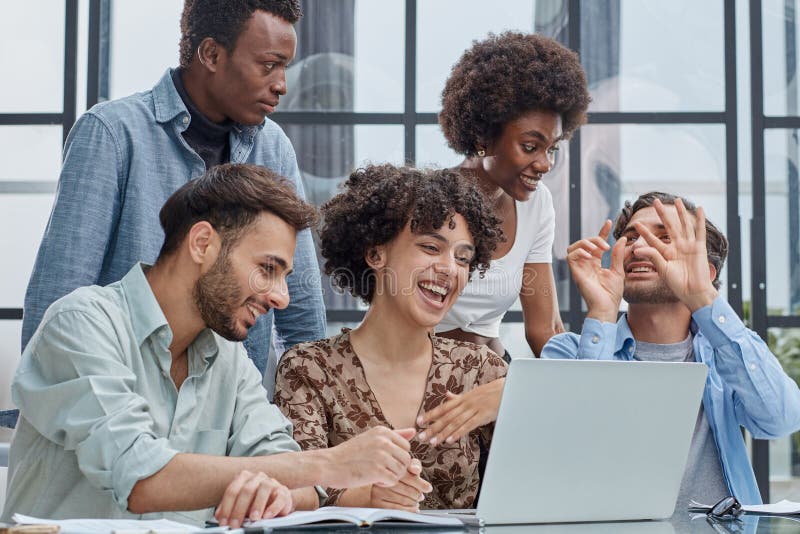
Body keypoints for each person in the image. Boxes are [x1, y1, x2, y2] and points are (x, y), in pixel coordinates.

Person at [1, 164, 414, 528]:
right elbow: (139, 476)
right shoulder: (81, 322)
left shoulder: (228, 358)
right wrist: (328, 463)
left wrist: (277, 492)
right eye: (267, 269)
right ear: (202, 244)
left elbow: (293, 475)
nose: (282, 297)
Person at [15, 0, 324, 424]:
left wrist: (311, 419)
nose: (282, 85)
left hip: (228, 418)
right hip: (119, 409)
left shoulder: (274, 148)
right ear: (212, 54)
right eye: (269, 65)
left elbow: (301, 307)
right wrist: (51, 421)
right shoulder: (113, 133)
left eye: (285, 67)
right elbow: (58, 300)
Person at [541, 191, 800, 507]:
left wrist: (703, 297)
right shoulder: (568, 354)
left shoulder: (727, 356)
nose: (639, 247)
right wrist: (601, 312)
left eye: (663, 237)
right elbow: (573, 445)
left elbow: (781, 419)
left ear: (706, 271)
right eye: (631, 237)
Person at [273, 165, 507, 510]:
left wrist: (514, 399)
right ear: (375, 253)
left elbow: (554, 472)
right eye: (431, 247)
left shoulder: (479, 369)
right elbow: (296, 487)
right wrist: (364, 497)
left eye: (463, 258)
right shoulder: (309, 368)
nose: (449, 269)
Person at [435, 32, 591, 360]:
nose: (545, 164)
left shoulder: (537, 204)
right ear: (483, 134)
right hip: (421, 383)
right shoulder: (425, 201)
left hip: (497, 378)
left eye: (553, 148)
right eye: (530, 147)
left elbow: (544, 330)